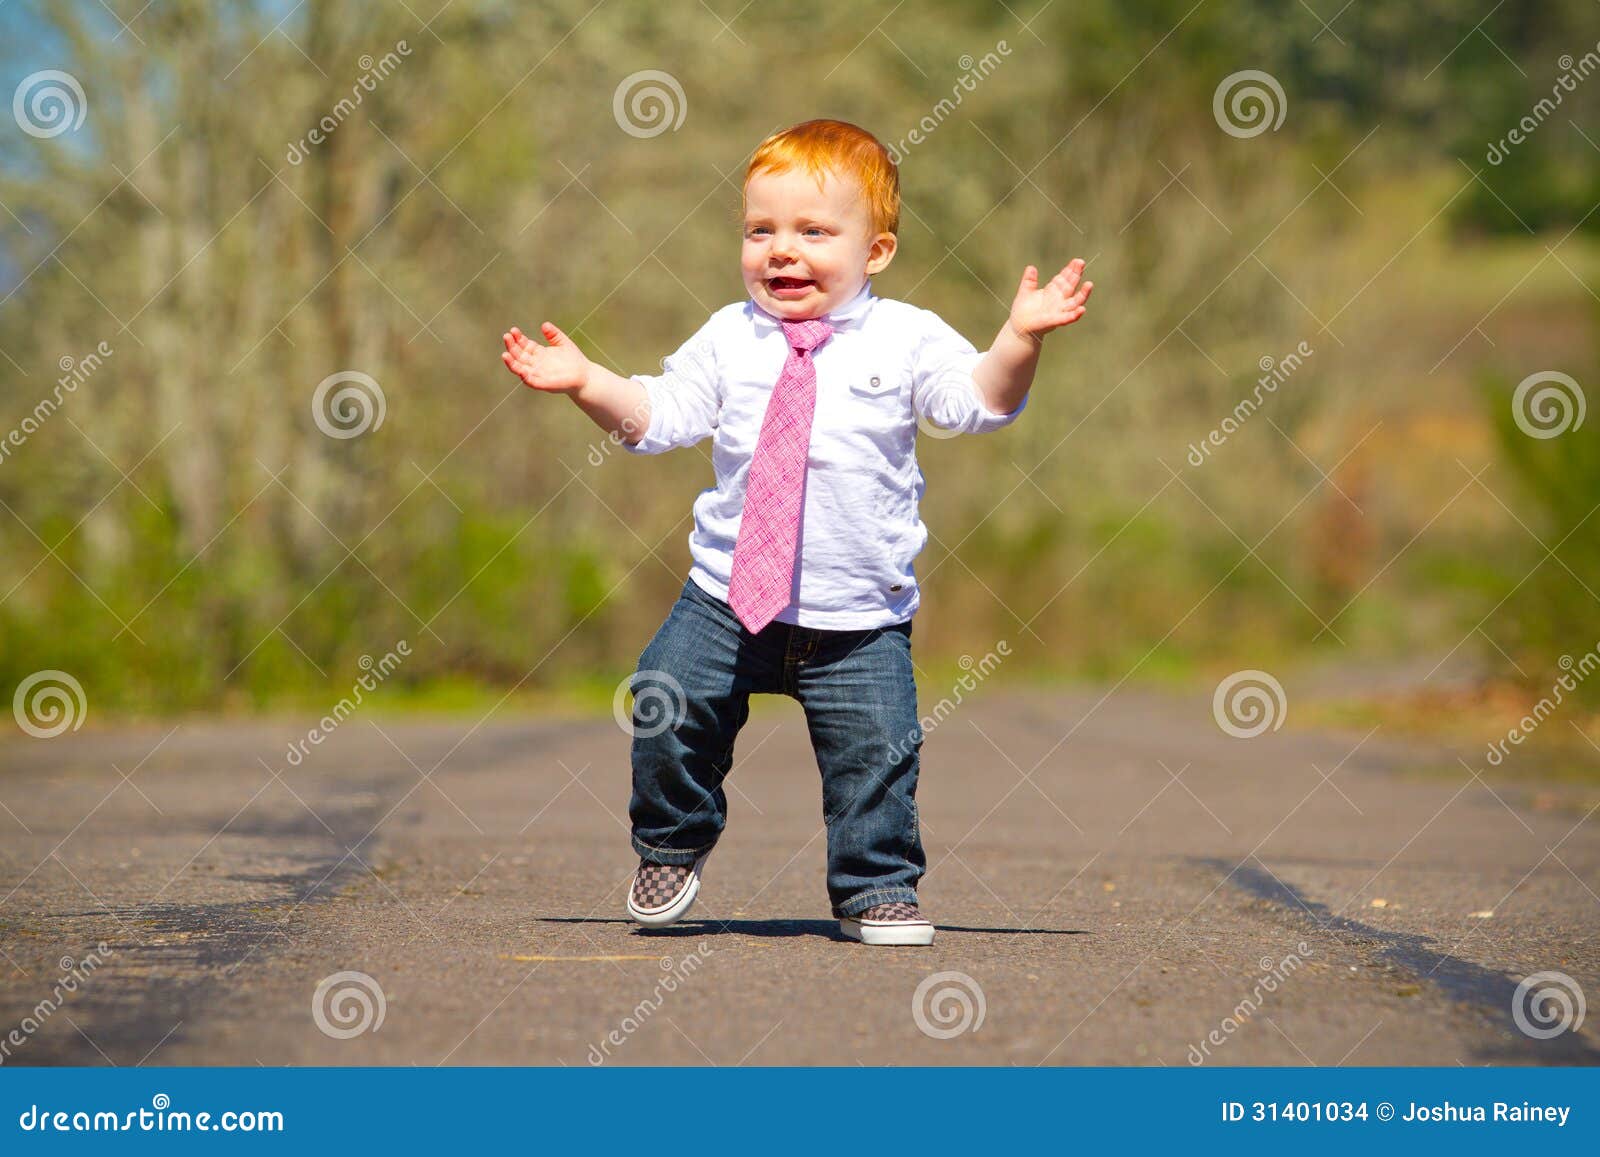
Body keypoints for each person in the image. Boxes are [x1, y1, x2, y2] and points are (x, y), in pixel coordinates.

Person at [501, 118, 1092, 945]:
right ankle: (673, 839)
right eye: (761, 230)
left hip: (858, 615)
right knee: (661, 701)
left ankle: (874, 886)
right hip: (724, 598)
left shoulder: (906, 335)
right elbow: (660, 415)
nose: (783, 250)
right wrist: (587, 382)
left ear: (875, 251)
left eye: (814, 232)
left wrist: (1018, 339)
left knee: (876, 759)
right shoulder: (728, 336)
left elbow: (977, 403)